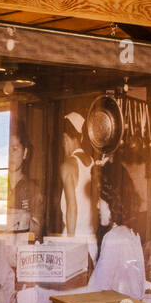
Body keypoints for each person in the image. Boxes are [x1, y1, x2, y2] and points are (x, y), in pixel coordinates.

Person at [89, 172, 146, 299]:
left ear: (112, 202)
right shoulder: (129, 231)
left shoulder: (114, 237)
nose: (97, 206)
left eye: (100, 200)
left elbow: (98, 288)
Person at [58, 110, 97, 266]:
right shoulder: (93, 163)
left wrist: (70, 244)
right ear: (80, 137)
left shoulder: (68, 165)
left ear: (66, 138)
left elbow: (72, 208)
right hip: (93, 241)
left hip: (74, 239)